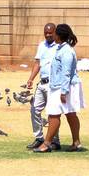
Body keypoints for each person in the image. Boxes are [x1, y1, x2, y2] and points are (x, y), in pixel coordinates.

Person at [34, 23, 85, 153]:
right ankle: (76, 143)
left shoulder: (67, 51)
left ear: (59, 35)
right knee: (70, 114)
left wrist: (64, 91)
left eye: (55, 32)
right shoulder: (60, 49)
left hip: (63, 87)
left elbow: (66, 73)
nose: (53, 35)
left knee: (54, 114)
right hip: (60, 85)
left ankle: (46, 144)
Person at [23, 23, 60, 151]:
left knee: (52, 113)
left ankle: (55, 141)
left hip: (53, 84)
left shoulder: (59, 47)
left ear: (55, 32)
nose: (48, 35)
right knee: (35, 109)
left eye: (50, 33)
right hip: (41, 83)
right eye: (46, 33)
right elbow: (38, 63)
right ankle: (39, 138)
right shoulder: (42, 45)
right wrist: (31, 79)